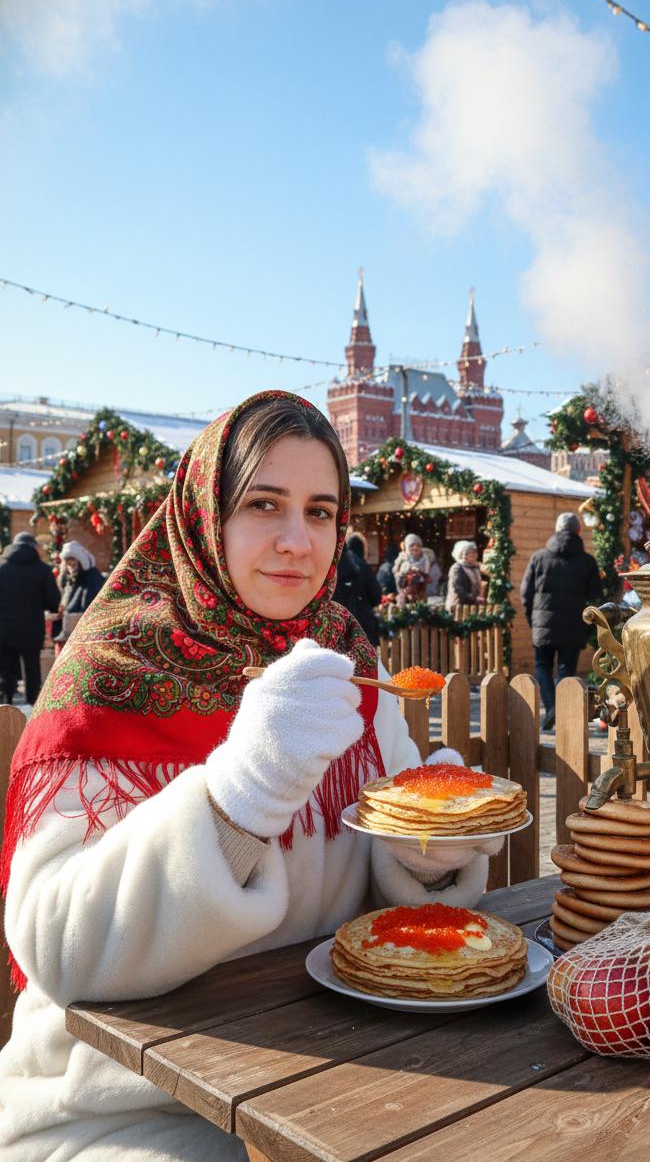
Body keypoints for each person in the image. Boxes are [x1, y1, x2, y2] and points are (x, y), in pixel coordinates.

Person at [0, 391, 498, 1162]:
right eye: (264, 504)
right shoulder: (110, 673)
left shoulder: (350, 664)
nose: (298, 541)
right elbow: (57, 948)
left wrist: (424, 860)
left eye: (322, 511)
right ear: (204, 513)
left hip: (327, 1077)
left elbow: (380, 887)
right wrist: (241, 794)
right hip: (127, 1107)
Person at [521, 511, 601, 731]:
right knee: (566, 671)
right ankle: (559, 709)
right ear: (577, 531)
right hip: (574, 625)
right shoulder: (588, 562)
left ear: (556, 530)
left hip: (542, 623)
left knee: (542, 666)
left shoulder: (539, 557)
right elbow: (595, 596)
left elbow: (525, 593)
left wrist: (533, 620)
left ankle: (551, 707)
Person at [0, 531, 60, 706]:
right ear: (33, 546)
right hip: (31, 630)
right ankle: (33, 709)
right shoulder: (42, 569)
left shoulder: (1, 567)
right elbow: (53, 601)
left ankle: (6, 707)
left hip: (3, 631)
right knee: (32, 670)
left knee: (6, 671)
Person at [52, 540, 105, 651]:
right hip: (68, 633)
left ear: (80, 563)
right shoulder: (69, 581)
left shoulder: (89, 581)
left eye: (74, 564)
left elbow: (83, 608)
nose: (71, 568)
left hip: (79, 635)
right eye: (68, 565)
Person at [332, 533, 382, 646]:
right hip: (363, 624)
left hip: (339, 626)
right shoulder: (362, 566)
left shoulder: (331, 567)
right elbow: (376, 595)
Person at [393, 533, 434, 604]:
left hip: (421, 591)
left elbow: (428, 575)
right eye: (411, 546)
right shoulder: (402, 559)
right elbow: (396, 573)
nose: (415, 548)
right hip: (405, 591)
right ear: (406, 547)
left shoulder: (426, 559)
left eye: (418, 545)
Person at [445, 540, 483, 613]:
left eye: (474, 552)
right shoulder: (457, 568)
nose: (473, 554)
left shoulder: (476, 567)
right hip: (458, 606)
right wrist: (474, 599)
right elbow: (458, 588)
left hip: (472, 606)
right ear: (462, 555)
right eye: (469, 552)